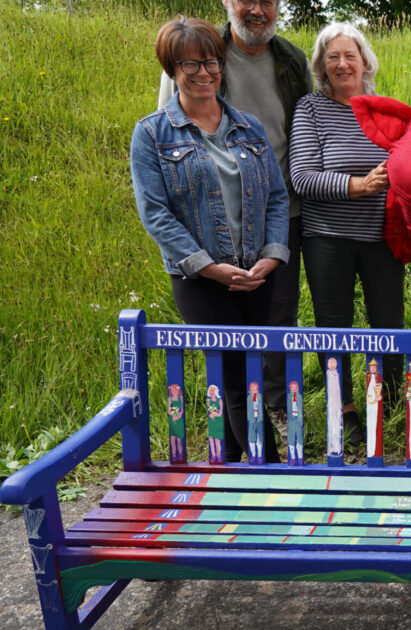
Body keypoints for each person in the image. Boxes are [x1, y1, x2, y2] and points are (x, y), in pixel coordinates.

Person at [132, 17, 288, 464]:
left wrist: (272, 255)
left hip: (257, 273)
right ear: (171, 68)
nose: (204, 73)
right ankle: (273, 477)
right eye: (190, 64)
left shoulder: (250, 127)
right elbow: (155, 214)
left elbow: (277, 197)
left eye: (212, 63)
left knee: (245, 374)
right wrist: (210, 268)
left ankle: (234, 473)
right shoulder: (151, 134)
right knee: (239, 381)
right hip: (199, 278)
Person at [158, 0, 312, 433]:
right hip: (211, 221)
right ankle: (236, 427)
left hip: (278, 211)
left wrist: (277, 238)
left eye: (268, 1)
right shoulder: (197, 52)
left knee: (278, 316)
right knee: (226, 341)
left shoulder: (293, 60)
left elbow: (302, 127)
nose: (258, 9)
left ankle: (276, 406)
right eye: (247, 0)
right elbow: (168, 139)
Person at [290, 23, 401, 449]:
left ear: (364, 62)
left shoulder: (382, 109)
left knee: (387, 321)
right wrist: (359, 186)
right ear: (321, 66)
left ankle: (390, 401)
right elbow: (302, 177)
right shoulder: (310, 109)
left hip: (382, 237)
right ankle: (345, 408)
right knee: (334, 324)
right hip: (327, 237)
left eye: (349, 55)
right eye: (332, 57)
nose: (341, 64)